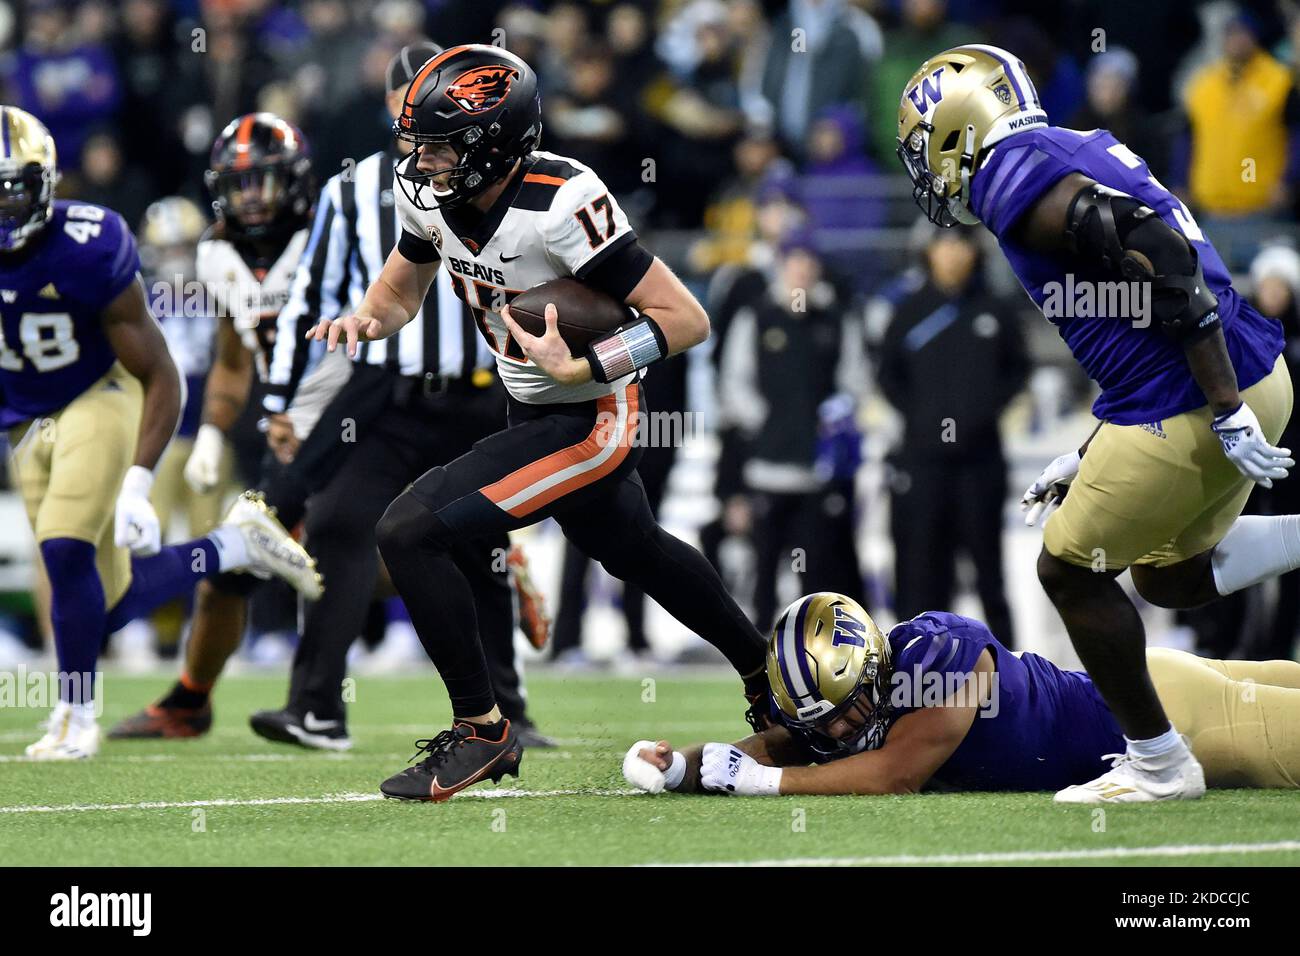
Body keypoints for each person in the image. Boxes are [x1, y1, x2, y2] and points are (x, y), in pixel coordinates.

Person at [310, 43, 770, 801]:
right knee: (635, 549)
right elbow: (403, 285)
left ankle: (483, 729)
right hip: (528, 400)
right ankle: (764, 673)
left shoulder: (561, 202)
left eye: (440, 147)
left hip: (593, 411)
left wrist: (584, 368)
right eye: (418, 145)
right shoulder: (428, 195)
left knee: (408, 529)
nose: (423, 163)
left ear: (493, 145)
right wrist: (366, 318)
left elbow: (684, 319)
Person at [895, 44, 1296, 803]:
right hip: (1253, 373)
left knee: (1069, 571)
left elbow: (1159, 251)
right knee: (1166, 575)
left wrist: (1223, 407)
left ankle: (1159, 764)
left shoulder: (1011, 171)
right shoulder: (1070, 144)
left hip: (1195, 397)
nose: (926, 166)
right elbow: (1148, 282)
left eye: (926, 143)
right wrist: (1091, 450)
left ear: (957, 126)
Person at [249, 41, 552, 750]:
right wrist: (283, 403)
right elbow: (313, 301)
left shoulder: (512, 181)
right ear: (395, 106)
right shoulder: (354, 190)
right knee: (338, 525)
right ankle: (317, 706)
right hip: (392, 395)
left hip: (485, 390)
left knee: (481, 547)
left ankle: (510, 713)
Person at [0, 107, 320, 759]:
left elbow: (160, 369)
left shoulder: (88, 243)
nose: (4, 206)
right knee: (101, 602)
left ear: (46, 181)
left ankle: (75, 715)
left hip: (99, 393)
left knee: (64, 550)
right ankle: (232, 546)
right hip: (26, 421)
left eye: (12, 186)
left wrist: (139, 481)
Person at [623, 593, 1300, 796]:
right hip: (1149, 688)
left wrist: (766, 785)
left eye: (842, 713)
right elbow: (778, 741)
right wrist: (683, 765)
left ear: (874, 669)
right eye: (820, 721)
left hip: (1177, 718)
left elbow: (895, 773)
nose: (831, 735)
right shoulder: (849, 699)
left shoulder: (944, 653)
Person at [876, 226, 1028, 646]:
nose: (953, 253)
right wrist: (923, 418)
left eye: (962, 244)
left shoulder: (995, 310)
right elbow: (887, 375)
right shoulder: (908, 310)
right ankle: (914, 665)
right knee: (921, 570)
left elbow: (1017, 371)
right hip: (922, 463)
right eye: (944, 244)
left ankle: (1007, 669)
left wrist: (980, 414)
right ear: (929, 252)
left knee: (989, 572)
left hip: (980, 462)